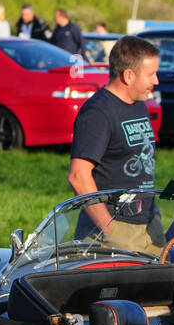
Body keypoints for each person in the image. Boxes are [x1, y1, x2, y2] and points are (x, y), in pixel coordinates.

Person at [67, 36, 161, 248]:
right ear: (128, 76)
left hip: (148, 224)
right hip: (113, 232)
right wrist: (110, 229)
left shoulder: (138, 103)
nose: (156, 81)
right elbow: (78, 176)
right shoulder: (98, 112)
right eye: (151, 74)